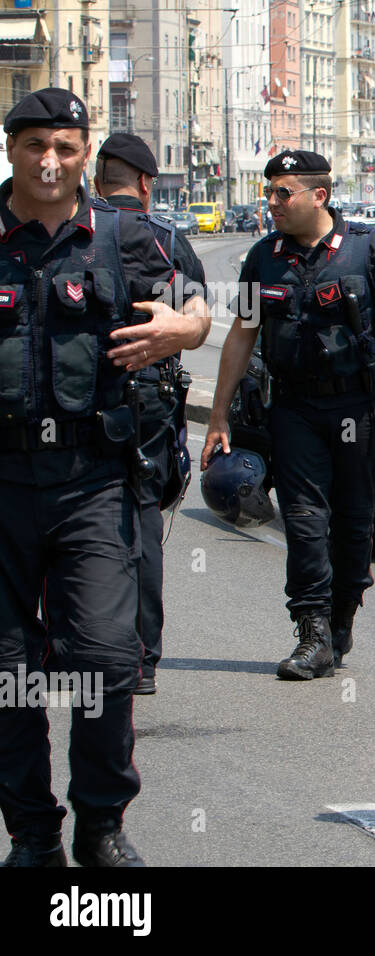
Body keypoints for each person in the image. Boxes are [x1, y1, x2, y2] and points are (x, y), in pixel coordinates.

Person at [0, 88, 190, 867]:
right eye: (35, 143)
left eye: (67, 146)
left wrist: (186, 325)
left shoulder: (126, 236)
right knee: (7, 675)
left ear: (85, 153)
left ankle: (102, 823)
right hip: (3, 482)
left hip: (94, 483)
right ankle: (32, 834)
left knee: (107, 661)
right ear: (12, 148)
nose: (50, 160)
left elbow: (194, 308)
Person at [202, 151, 375, 680]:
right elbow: (242, 335)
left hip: (357, 408)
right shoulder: (264, 257)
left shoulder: (369, 250)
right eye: (269, 192)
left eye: (283, 192)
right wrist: (218, 416)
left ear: (318, 195)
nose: (272, 202)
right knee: (304, 521)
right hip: (295, 409)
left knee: (351, 523)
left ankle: (341, 619)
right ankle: (312, 632)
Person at [92, 132, 212, 697]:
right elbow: (199, 316)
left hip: (75, 406)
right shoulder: (165, 241)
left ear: (96, 181)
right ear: (145, 184)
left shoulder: (71, 235)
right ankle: (140, 659)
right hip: (145, 406)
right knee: (139, 524)